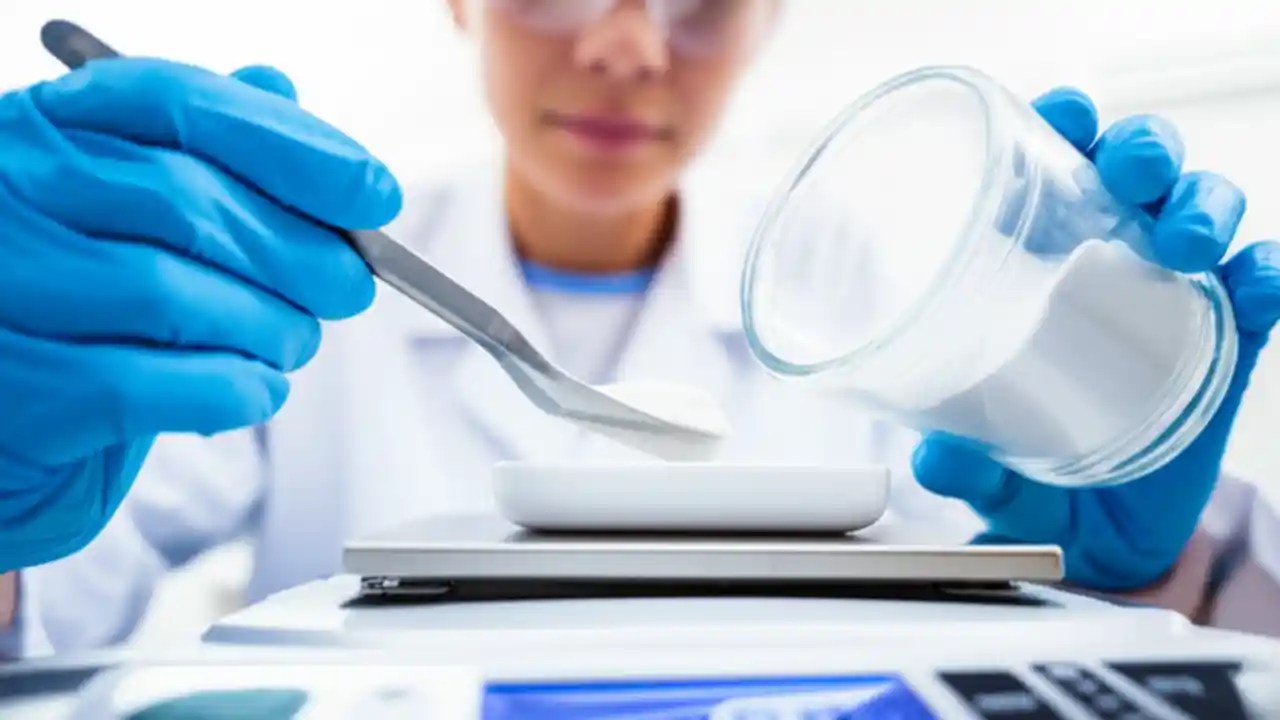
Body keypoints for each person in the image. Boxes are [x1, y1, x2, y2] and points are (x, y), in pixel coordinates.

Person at [0, 0, 1278, 656]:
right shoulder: (278, 279)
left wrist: (1147, 581)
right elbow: (45, 620)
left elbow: (1071, 670)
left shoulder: (884, 298)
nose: (624, 48)